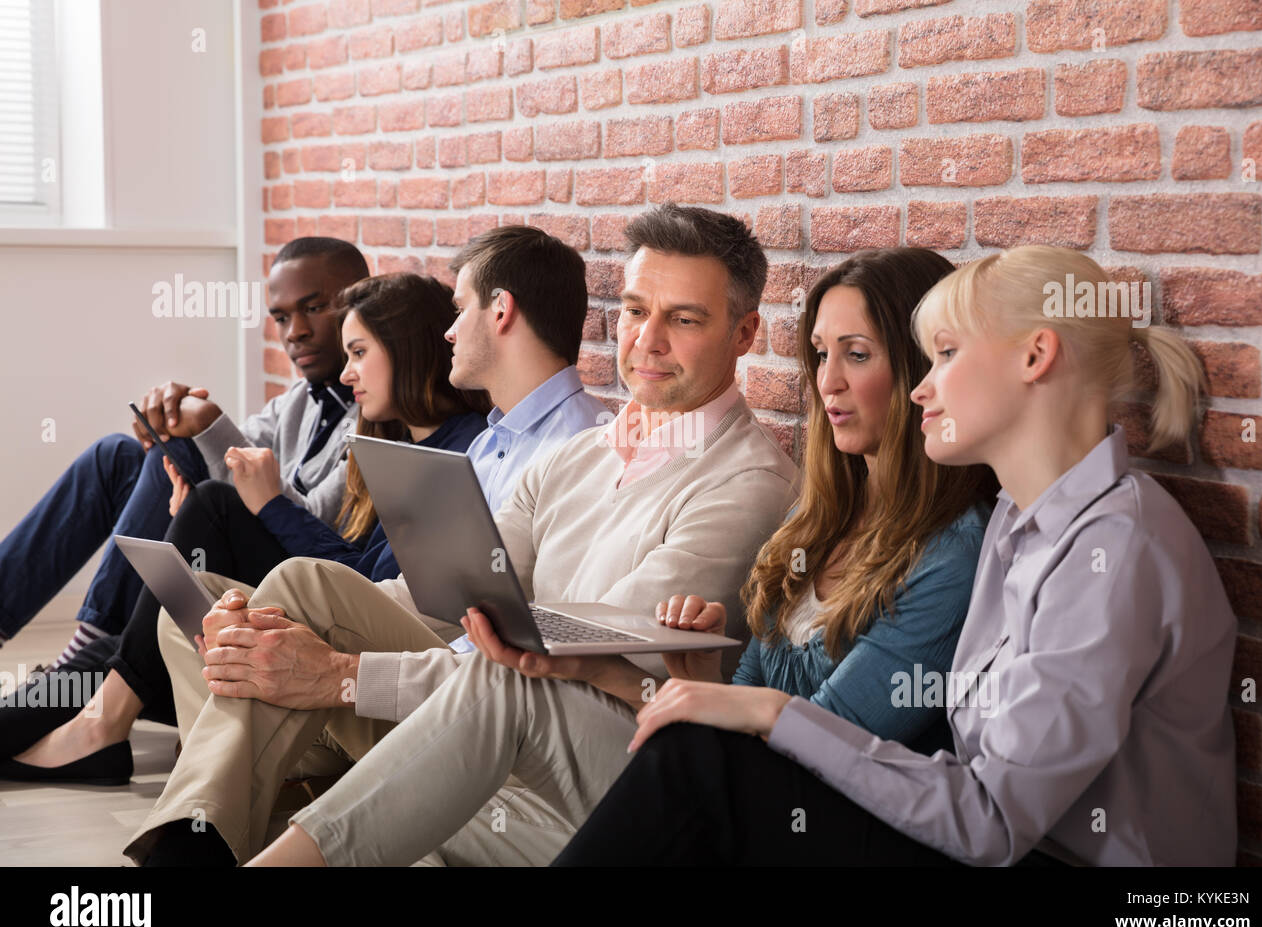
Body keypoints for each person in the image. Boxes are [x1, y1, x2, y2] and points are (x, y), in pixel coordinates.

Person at [246, 245, 1001, 868]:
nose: (827, 382)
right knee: (427, 795)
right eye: (819, 355)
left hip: (777, 825)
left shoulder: (939, 549)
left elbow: (814, 745)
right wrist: (609, 669)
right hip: (678, 761)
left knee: (477, 727)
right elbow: (717, 703)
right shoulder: (820, 520)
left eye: (858, 355)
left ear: (917, 372)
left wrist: (346, 679)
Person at [126, 204, 801, 867]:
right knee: (273, 600)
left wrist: (341, 676)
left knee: (480, 674)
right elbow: (455, 596)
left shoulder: (747, 485)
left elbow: (583, 663)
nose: (647, 340)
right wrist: (308, 644)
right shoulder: (582, 454)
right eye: (633, 310)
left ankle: (249, 817)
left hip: (606, 767)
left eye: (683, 320)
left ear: (744, 334)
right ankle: (198, 842)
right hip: (488, 710)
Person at [551, 245, 1239, 868]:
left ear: (1035, 358)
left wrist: (770, 713)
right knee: (695, 764)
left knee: (694, 766)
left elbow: (992, 820)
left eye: (944, 354)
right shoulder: (1016, 522)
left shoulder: (1115, 547)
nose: (921, 388)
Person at [0, 272, 489, 783]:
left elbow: (355, 583)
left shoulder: (451, 455)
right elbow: (349, 559)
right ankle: (95, 715)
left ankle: (100, 726)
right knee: (110, 645)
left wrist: (266, 501)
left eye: (359, 353)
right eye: (280, 318)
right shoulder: (364, 429)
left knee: (210, 510)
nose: (347, 373)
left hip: (333, 643)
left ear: (405, 349)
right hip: (302, 603)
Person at [0, 237, 366, 667]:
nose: (295, 332)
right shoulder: (301, 399)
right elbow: (225, 450)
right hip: (240, 548)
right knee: (116, 456)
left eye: (314, 308)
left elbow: (315, 526)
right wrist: (178, 420)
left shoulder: (377, 413)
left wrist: (207, 423)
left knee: (181, 449)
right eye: (281, 317)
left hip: (291, 581)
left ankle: (82, 665)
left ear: (360, 303)